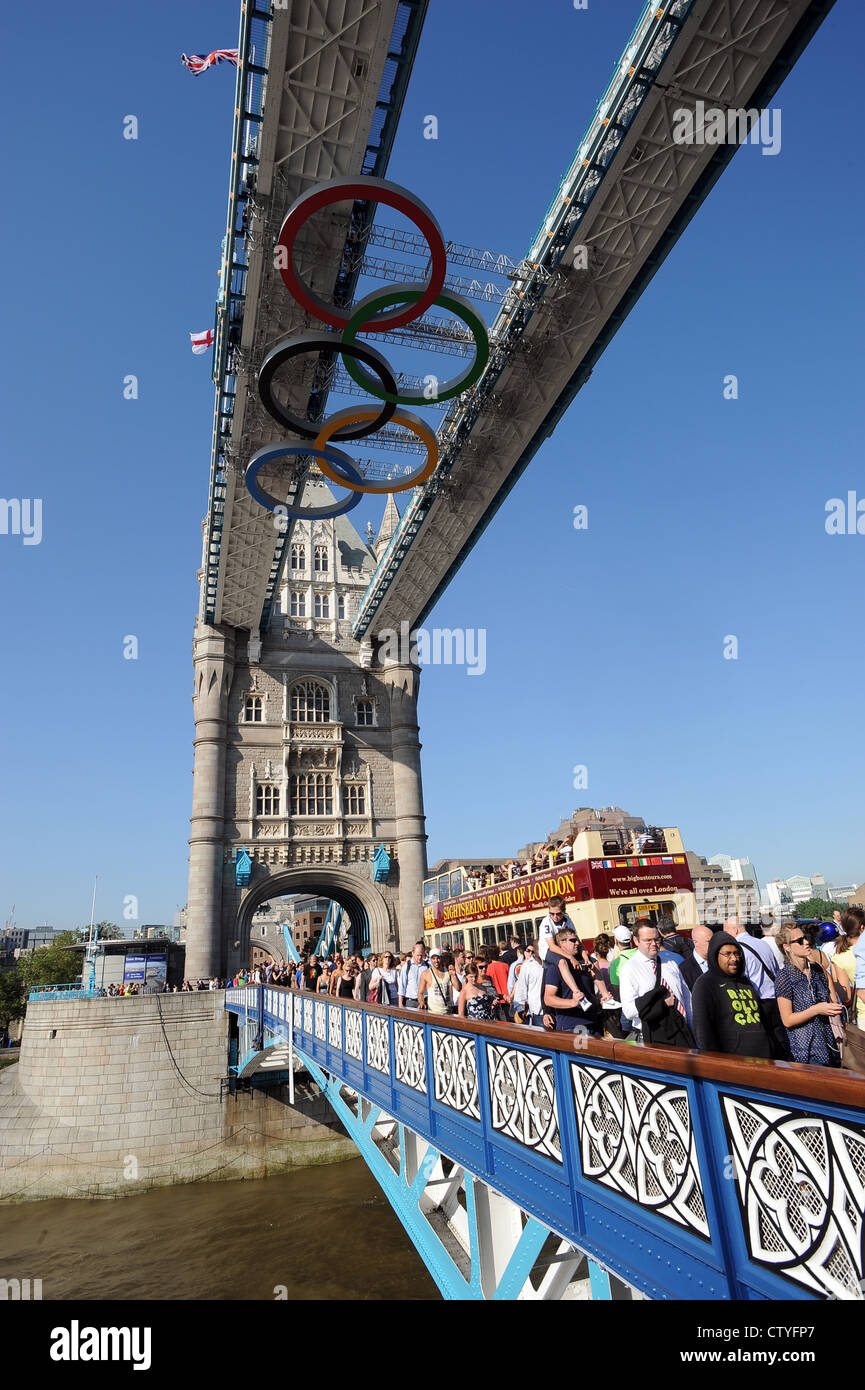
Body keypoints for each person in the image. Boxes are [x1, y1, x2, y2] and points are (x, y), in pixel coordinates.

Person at [691, 933, 780, 1059]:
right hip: (734, 1064)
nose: (734, 958)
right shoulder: (705, 985)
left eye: (737, 953)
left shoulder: (746, 981)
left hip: (765, 1059)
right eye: (727, 954)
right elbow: (703, 1032)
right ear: (715, 955)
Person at [775, 923, 843, 1067]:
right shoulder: (785, 976)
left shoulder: (817, 970)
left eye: (805, 937)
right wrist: (816, 1009)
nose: (806, 942)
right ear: (787, 947)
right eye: (799, 940)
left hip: (831, 1046)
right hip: (806, 1052)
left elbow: (833, 1001)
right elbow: (787, 1020)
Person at [618, 923, 692, 1041]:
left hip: (680, 1030)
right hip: (652, 1035)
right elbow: (629, 1011)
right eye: (648, 940)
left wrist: (691, 1026)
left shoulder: (670, 962)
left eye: (656, 939)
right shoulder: (629, 969)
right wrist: (661, 1004)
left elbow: (687, 997)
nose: (654, 944)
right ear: (636, 941)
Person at [543, 928, 599, 1034]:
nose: (577, 943)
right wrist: (572, 1003)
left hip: (594, 1022)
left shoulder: (584, 963)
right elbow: (548, 999)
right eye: (573, 941)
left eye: (577, 940)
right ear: (562, 943)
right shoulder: (556, 967)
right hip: (572, 1026)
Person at [512, 940, 545, 1026]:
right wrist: (520, 1009)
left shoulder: (551, 963)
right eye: (540, 948)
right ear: (535, 950)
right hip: (538, 1013)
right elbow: (521, 989)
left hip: (554, 1011)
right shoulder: (527, 966)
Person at [537, 897, 575, 962]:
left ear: (563, 911)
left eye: (558, 914)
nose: (555, 917)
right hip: (548, 951)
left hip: (563, 948)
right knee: (562, 961)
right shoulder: (546, 922)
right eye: (552, 914)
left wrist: (584, 953)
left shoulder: (567, 919)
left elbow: (575, 937)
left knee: (592, 960)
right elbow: (552, 946)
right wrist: (570, 957)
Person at [680, 925, 714, 991]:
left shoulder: (719, 962)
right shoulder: (684, 970)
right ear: (696, 942)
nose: (713, 944)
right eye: (709, 941)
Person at [398, 942, 426, 1008]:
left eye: (421, 955)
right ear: (413, 954)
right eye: (417, 955)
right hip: (411, 1001)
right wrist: (400, 1003)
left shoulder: (427, 966)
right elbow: (402, 985)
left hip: (424, 1001)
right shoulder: (407, 966)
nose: (419, 957)